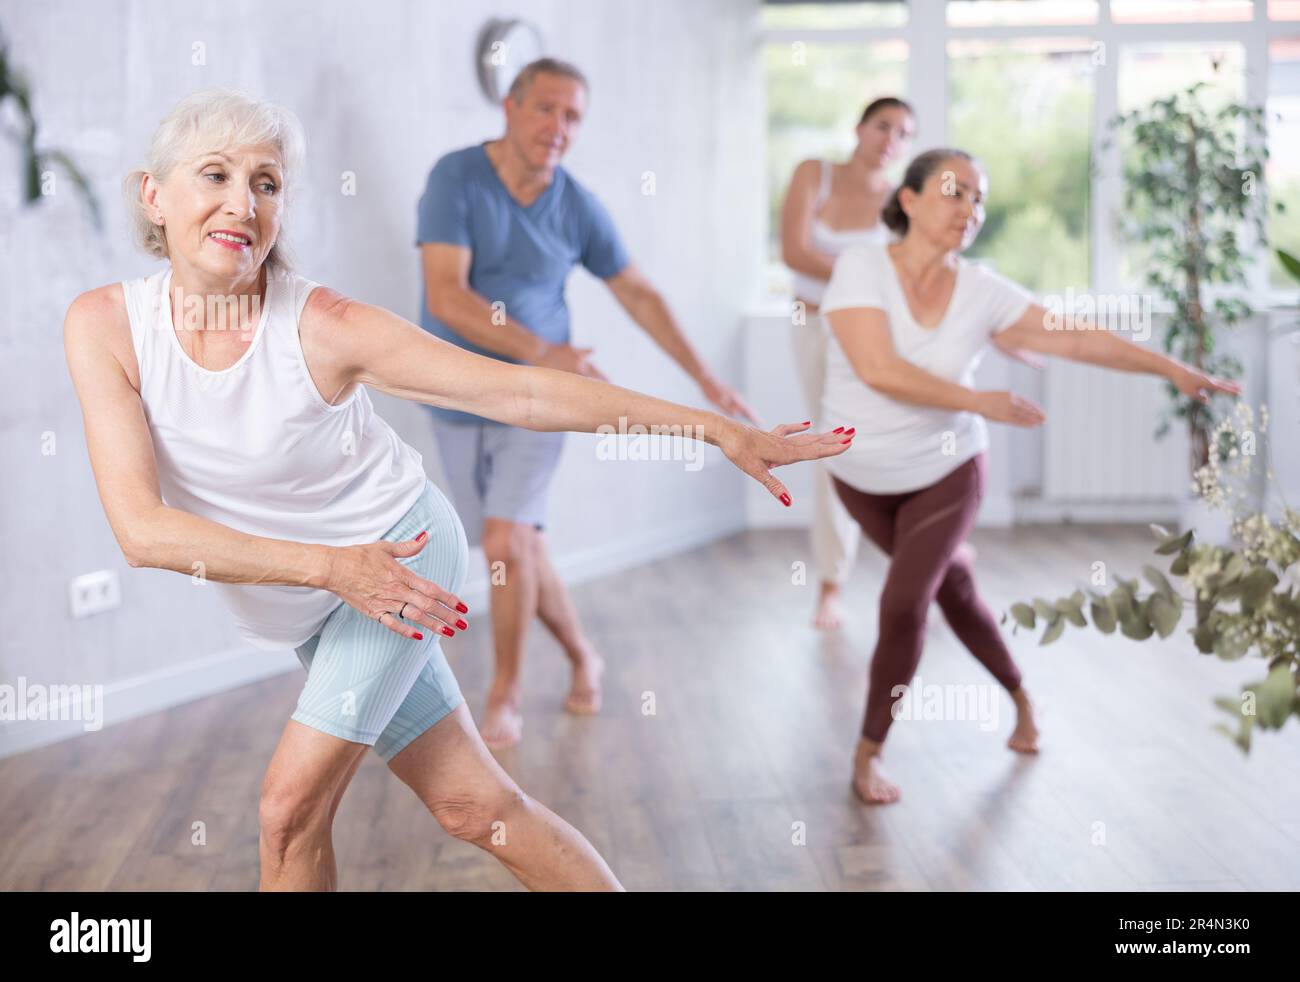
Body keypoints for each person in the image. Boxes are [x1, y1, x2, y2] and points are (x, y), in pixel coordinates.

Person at [63, 88, 853, 889]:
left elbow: (524, 392)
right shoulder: (105, 328)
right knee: (477, 809)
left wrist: (715, 428)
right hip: (328, 582)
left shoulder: (324, 327)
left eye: (266, 183)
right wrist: (335, 569)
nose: (244, 202)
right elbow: (144, 531)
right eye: (216, 175)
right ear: (153, 196)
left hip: (400, 555)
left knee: (287, 812)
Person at [819, 147, 1240, 805]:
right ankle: (1022, 699)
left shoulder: (982, 290)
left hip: (946, 470)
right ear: (908, 199)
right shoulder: (859, 269)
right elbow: (876, 369)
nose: (970, 209)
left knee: (905, 605)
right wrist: (981, 399)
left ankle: (867, 753)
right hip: (859, 478)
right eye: (955, 192)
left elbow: (1072, 337)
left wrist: (1169, 368)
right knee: (954, 591)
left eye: (980, 198)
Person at [417, 57, 760, 749]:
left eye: (572, 115)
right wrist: (542, 347)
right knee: (517, 545)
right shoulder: (455, 178)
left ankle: (505, 693)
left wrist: (704, 377)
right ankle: (584, 656)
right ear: (510, 108)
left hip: (543, 397)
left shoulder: (574, 203)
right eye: (546, 108)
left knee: (505, 541)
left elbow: (637, 291)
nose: (558, 127)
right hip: (454, 387)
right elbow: (447, 295)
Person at [780, 97, 914, 630]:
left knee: (883, 442)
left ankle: (920, 560)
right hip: (814, 325)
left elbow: (906, 275)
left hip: (871, 331)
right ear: (858, 127)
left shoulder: (902, 200)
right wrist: (865, 273)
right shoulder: (815, 174)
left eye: (904, 134)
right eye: (883, 126)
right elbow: (793, 253)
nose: (891, 140)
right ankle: (830, 586)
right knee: (830, 447)